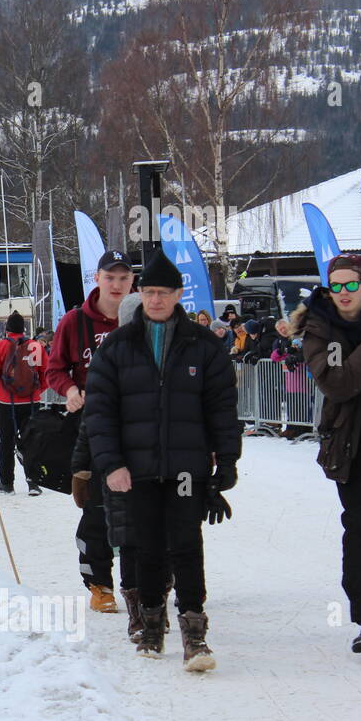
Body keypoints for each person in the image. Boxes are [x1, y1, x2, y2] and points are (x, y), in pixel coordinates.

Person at [84, 248, 240, 670]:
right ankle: (151, 624)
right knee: (147, 547)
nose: (155, 300)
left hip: (187, 467)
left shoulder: (204, 346)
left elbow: (222, 408)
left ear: (177, 295)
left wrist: (226, 461)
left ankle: (195, 632)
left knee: (187, 545)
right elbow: (100, 412)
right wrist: (111, 463)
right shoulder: (117, 346)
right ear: (140, 292)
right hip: (137, 469)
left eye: (163, 292)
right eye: (149, 291)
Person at [293, 254, 361, 654]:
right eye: (337, 286)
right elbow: (340, 382)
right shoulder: (320, 329)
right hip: (352, 449)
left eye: (351, 285)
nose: (344, 293)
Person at [46, 249, 134, 612]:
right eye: (110, 277)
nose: (116, 285)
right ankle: (99, 583)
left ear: (132, 282)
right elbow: (53, 369)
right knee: (98, 507)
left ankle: (146, 578)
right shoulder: (75, 322)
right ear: (97, 279)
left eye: (123, 278)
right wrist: (69, 390)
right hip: (95, 429)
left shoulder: (143, 317)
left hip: (140, 426)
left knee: (145, 506)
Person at [0, 310, 44, 495]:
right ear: (24, 328)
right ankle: (33, 481)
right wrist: (37, 391)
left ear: (8, 329)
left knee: (6, 443)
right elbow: (47, 372)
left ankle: (7, 483)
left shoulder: (2, 346)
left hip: (7, 403)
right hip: (32, 403)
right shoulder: (35, 345)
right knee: (31, 442)